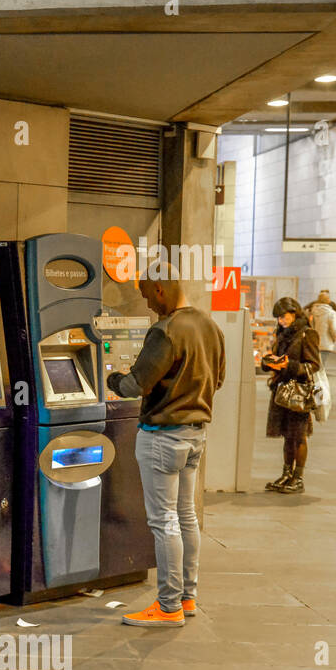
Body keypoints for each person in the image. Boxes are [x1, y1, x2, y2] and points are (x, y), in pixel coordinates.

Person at [105, 264, 225, 628]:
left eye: (145, 294)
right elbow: (217, 380)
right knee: (186, 516)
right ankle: (187, 597)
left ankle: (168, 605)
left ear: (160, 288)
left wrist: (112, 376)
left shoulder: (165, 331)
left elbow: (135, 385)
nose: (145, 302)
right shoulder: (210, 326)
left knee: (164, 521)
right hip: (195, 434)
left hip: (163, 436)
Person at [262, 296, 321, 493]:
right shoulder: (282, 334)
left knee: (299, 435)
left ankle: (298, 478)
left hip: (299, 393)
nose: (281, 321)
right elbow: (276, 359)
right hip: (281, 391)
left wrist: (290, 365)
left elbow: (314, 365)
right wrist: (269, 362)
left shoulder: (307, 334)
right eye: (278, 318)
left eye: (284, 316)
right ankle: (286, 474)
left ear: (294, 313)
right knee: (287, 435)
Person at [306, 291, 336, 372]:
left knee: (316, 362)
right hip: (326, 341)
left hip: (314, 341)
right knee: (322, 364)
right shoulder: (331, 313)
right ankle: (319, 382)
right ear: (327, 300)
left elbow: (310, 325)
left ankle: (315, 378)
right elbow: (334, 329)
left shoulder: (313, 311)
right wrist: (335, 338)